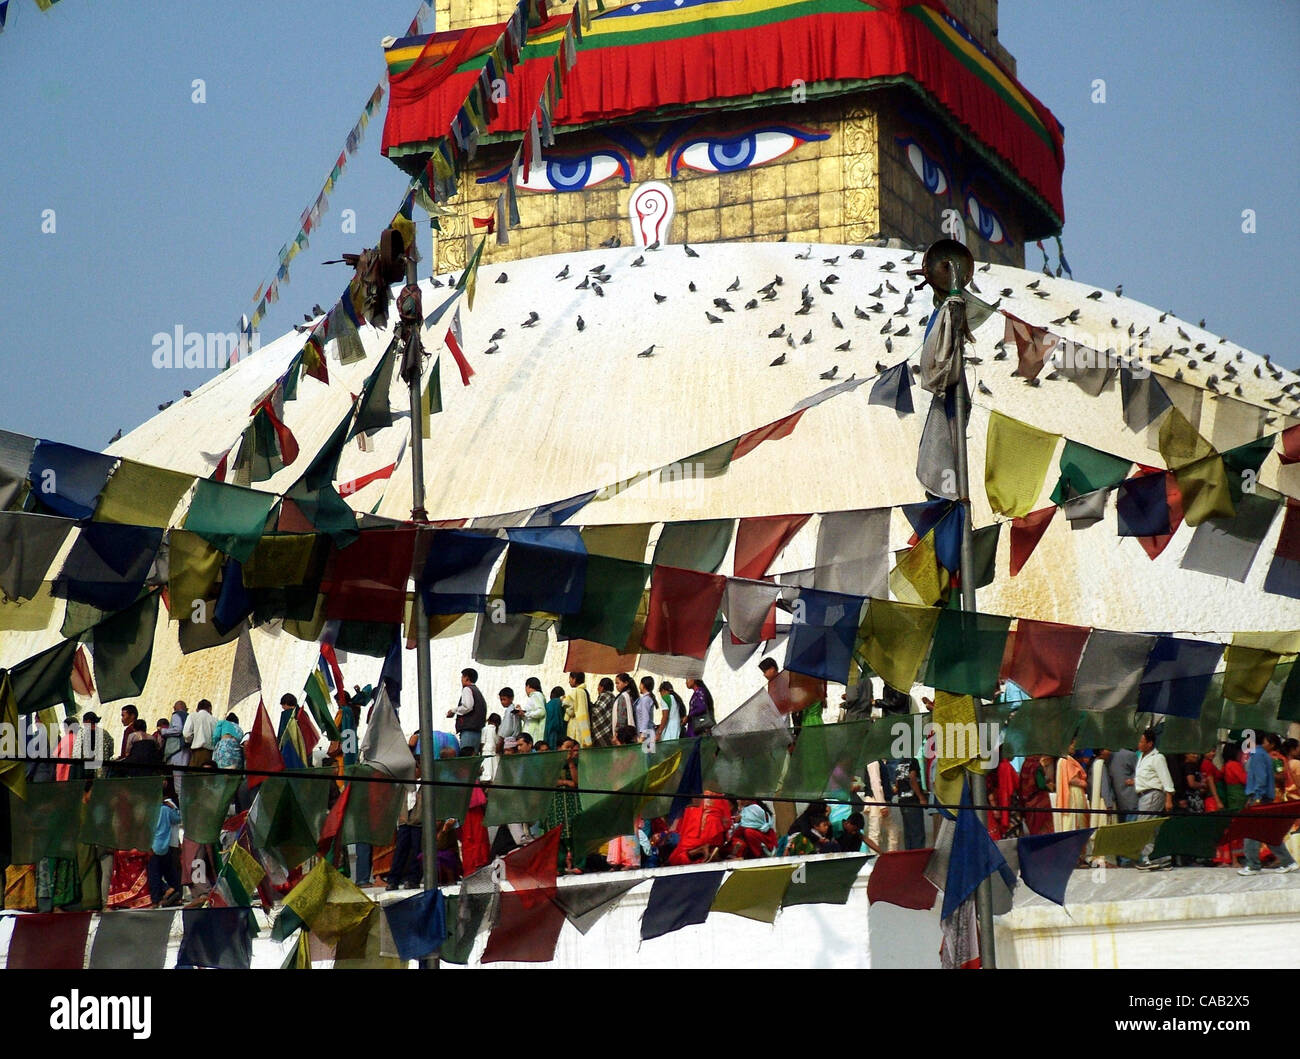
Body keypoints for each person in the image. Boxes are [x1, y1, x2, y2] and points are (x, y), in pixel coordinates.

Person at [1239, 733, 1298, 876]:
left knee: (1251, 832)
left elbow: (1261, 778)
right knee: (1268, 833)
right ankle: (1288, 862)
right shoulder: (1265, 755)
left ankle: (1253, 865)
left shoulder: (1258, 755)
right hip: (1265, 797)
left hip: (1260, 798)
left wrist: (1257, 798)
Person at [1135, 728, 1175, 870]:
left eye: (1141, 741)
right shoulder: (1141, 757)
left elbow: (1166, 779)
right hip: (1143, 795)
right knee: (1153, 828)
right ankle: (1162, 858)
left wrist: (1168, 799)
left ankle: (1148, 858)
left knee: (1144, 826)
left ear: (1150, 743)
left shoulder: (1157, 758)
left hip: (1152, 794)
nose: (1139, 743)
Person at [387, 765, 424, 890]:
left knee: (416, 852)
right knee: (400, 851)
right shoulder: (403, 785)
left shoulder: (425, 785)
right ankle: (393, 880)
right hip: (404, 821)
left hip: (418, 822)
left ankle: (413, 879)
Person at [148, 784, 183, 907]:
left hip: (153, 847)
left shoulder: (149, 810)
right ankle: (177, 896)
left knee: (154, 874)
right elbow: (178, 819)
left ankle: (156, 900)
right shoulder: (166, 810)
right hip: (165, 846)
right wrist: (173, 808)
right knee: (170, 872)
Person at [886, 757, 925, 849]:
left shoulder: (899, 763)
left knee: (908, 832)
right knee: (917, 832)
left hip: (902, 800)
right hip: (913, 800)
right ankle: (918, 857)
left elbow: (897, 782)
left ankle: (909, 855)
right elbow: (912, 778)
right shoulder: (913, 761)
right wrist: (921, 797)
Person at [447, 668, 487, 751]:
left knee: (466, 757)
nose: (461, 680)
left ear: (466, 678)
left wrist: (453, 711)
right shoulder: (477, 691)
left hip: (469, 730)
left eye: (462, 677)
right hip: (477, 730)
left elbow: (467, 706)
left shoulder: (467, 689)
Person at [1055, 742, 1089, 832]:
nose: (1074, 747)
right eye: (1073, 744)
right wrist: (1084, 783)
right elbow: (1071, 779)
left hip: (1072, 792)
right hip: (1073, 794)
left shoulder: (1062, 760)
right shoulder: (1066, 760)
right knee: (1075, 820)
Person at [1019, 755, 1054, 836]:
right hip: (1040, 803)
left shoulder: (1025, 763)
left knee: (1033, 830)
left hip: (1028, 802)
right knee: (1042, 832)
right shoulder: (1036, 766)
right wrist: (1049, 787)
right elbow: (1041, 785)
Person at [73, 712, 114, 780]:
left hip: (86, 769)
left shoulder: (82, 734)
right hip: (101, 769)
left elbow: (76, 753)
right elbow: (111, 751)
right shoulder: (105, 733)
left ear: (88, 721)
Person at [162, 701, 190, 793]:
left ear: (174, 708)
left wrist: (163, 731)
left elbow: (178, 730)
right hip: (187, 750)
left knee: (178, 783)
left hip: (177, 751)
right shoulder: (189, 716)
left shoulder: (176, 715)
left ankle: (180, 805)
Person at [183, 699, 217, 768]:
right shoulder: (214, 720)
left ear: (197, 708)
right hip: (210, 752)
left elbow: (186, 734)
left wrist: (192, 740)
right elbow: (216, 737)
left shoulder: (192, 716)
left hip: (196, 751)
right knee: (205, 776)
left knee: (194, 775)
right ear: (210, 708)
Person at [563, 672, 592, 747]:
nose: (569, 681)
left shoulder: (576, 692)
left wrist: (562, 700)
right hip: (583, 725)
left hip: (575, 725)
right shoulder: (584, 692)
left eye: (570, 679)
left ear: (574, 679)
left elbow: (570, 710)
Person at [588, 678, 617, 748]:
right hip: (609, 730)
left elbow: (597, 712)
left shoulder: (605, 696)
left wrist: (588, 705)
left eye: (598, 687)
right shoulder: (612, 697)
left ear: (602, 687)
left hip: (602, 731)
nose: (597, 689)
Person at [634, 676, 657, 752]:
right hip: (646, 733)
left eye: (640, 684)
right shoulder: (644, 699)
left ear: (643, 685)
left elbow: (645, 718)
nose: (639, 686)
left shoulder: (645, 700)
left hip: (646, 735)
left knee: (646, 760)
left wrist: (642, 736)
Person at [522, 677, 548, 745]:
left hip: (533, 731)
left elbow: (541, 711)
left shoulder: (535, 695)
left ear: (528, 686)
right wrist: (522, 714)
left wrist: (526, 714)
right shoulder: (537, 696)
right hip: (531, 730)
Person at [612, 673, 637, 743]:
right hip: (628, 732)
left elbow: (621, 717)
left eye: (618, 683)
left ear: (626, 683)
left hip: (623, 734)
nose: (616, 686)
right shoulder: (630, 695)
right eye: (615, 684)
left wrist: (617, 734)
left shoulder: (623, 697)